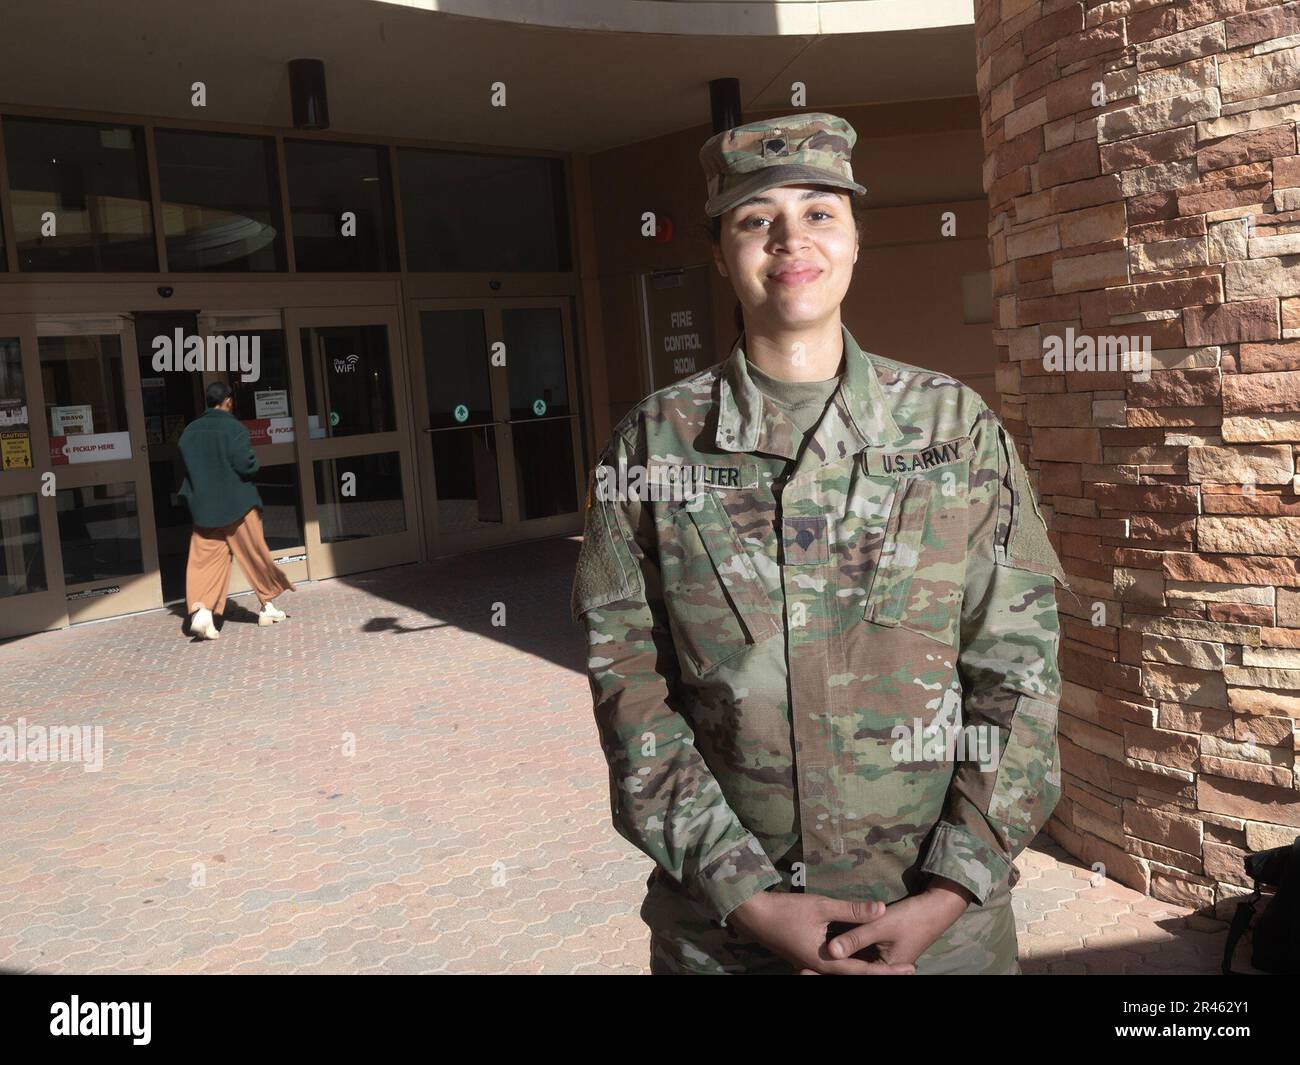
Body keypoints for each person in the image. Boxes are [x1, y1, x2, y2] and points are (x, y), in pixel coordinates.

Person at [570, 112, 1070, 974]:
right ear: (723, 251)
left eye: (819, 212)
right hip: (727, 936)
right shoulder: (654, 445)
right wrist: (750, 898)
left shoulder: (956, 429)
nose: (789, 238)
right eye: (756, 219)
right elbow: (630, 691)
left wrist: (949, 892)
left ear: (855, 239)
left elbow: (1019, 673)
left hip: (942, 931)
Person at [178, 381, 295, 639]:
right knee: (255, 555)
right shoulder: (234, 428)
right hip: (238, 506)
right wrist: (254, 461)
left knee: (204, 562)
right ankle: (267, 607)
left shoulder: (189, 431)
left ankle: (202, 612)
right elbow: (246, 465)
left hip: (203, 510)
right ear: (228, 401)